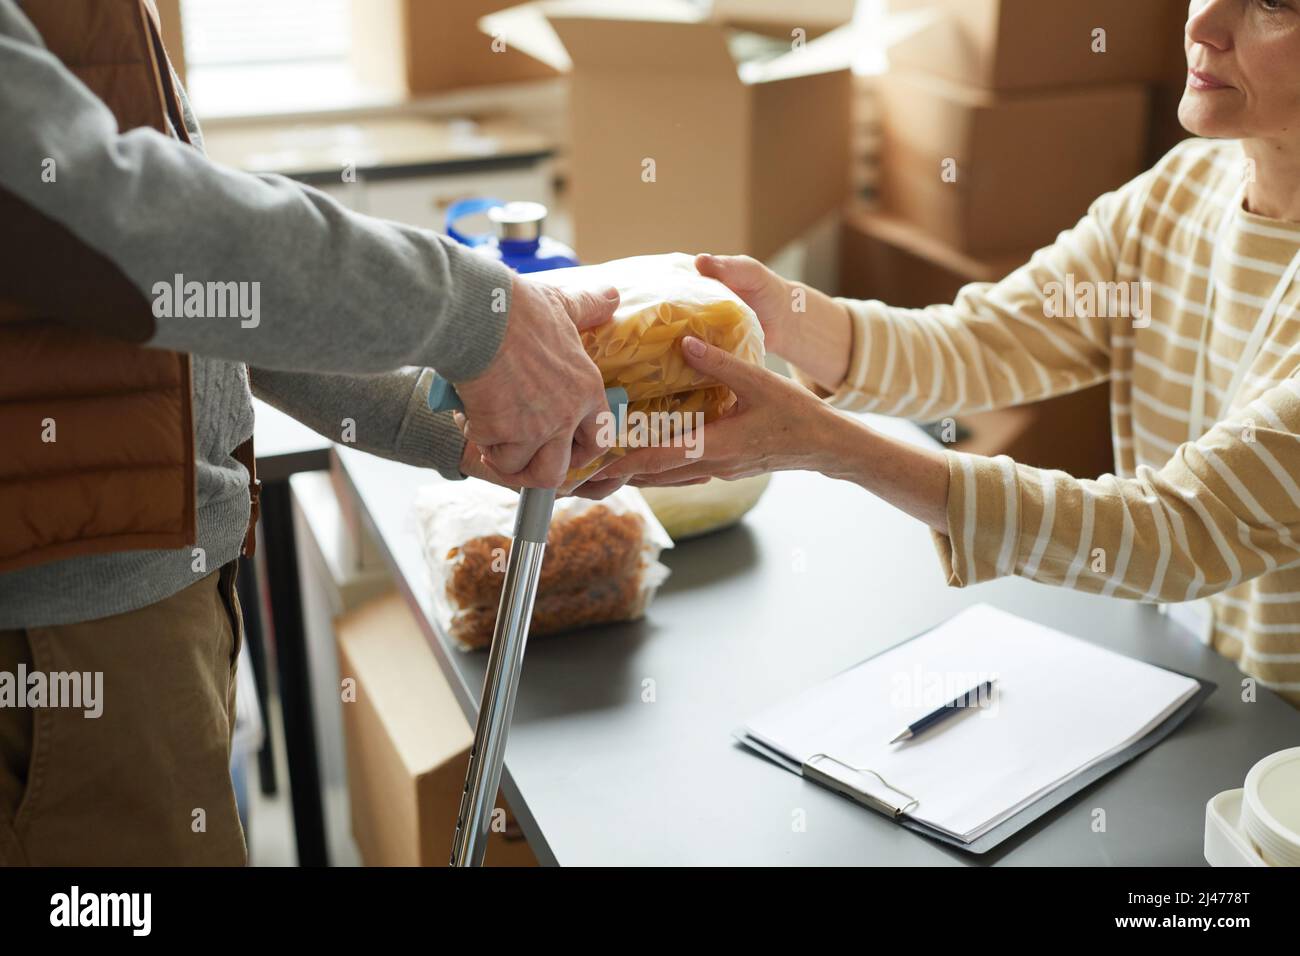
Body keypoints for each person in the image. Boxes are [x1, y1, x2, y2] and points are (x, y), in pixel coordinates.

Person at [0, 0, 615, 865]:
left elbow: (188, 300)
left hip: (130, 601)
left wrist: (441, 412)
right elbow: (102, 221)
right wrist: (472, 313)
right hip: (60, 639)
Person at [595, 0, 1300, 709]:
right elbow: (988, 340)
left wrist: (833, 448)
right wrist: (789, 316)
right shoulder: (1181, 192)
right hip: (1183, 672)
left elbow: (1176, 531)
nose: (1203, 24)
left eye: (1273, 3)